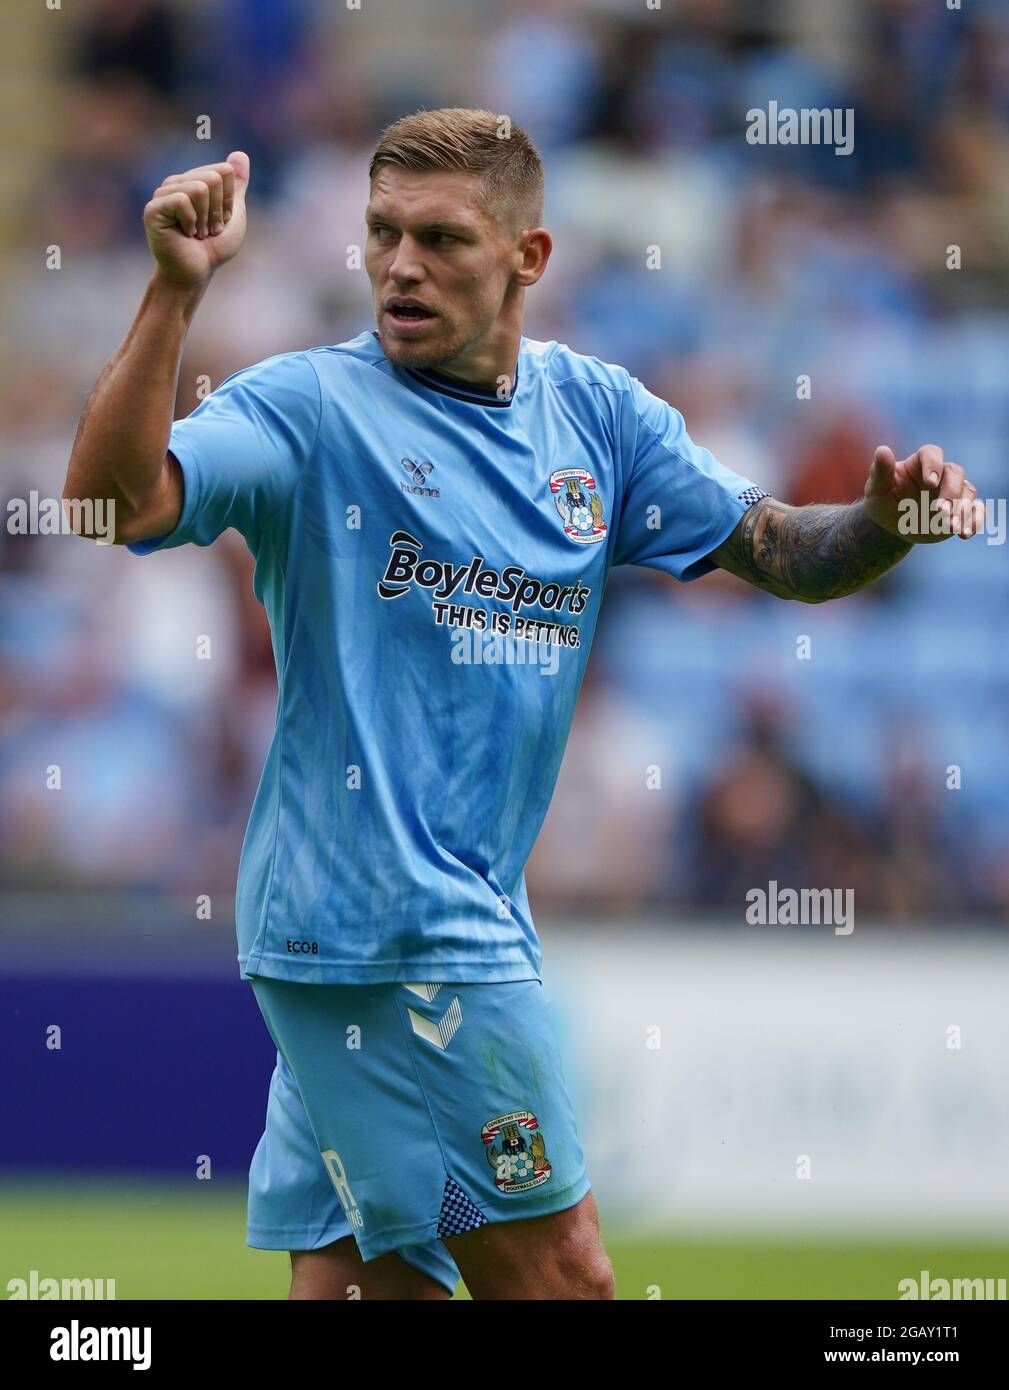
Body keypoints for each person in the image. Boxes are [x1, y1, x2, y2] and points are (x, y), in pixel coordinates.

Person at [63, 107, 985, 1301]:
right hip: (396, 935)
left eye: (442, 239)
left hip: (389, 938)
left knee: (362, 1288)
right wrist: (172, 294)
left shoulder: (598, 420)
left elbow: (779, 549)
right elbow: (110, 507)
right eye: (382, 234)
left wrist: (880, 526)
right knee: (564, 1281)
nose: (400, 265)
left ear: (527, 258)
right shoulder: (307, 409)